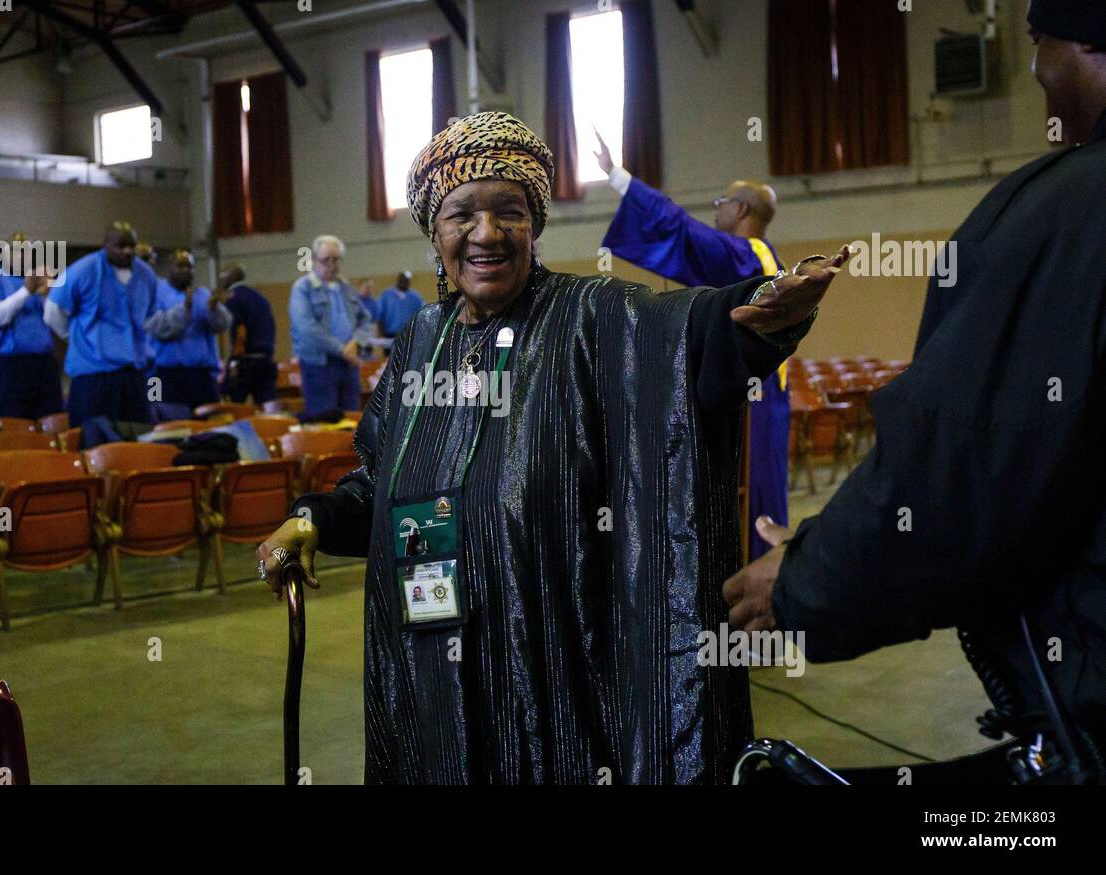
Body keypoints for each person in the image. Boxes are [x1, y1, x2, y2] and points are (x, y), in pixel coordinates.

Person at [257, 112, 848, 784]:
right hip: (433, 669)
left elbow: (674, 338)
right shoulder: (421, 342)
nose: (487, 233)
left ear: (534, 224)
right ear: (434, 231)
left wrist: (754, 316)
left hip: (550, 677)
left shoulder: (588, 318)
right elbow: (381, 486)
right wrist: (314, 518)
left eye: (509, 211)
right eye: (462, 215)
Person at [724, 0, 1106, 780]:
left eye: (1040, 41)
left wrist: (804, 581)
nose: (1035, 70)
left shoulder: (1063, 214)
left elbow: (961, 473)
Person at [596, 132, 789, 562]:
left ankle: (750, 578)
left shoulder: (745, 255)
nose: (716, 209)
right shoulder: (766, 255)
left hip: (753, 403)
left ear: (740, 209)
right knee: (763, 490)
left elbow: (679, 228)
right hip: (768, 395)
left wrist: (618, 177)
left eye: (722, 202)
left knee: (750, 493)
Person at [44, 222, 158, 427]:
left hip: (134, 375)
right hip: (93, 377)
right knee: (94, 440)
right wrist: (77, 339)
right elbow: (53, 312)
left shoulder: (146, 275)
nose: (127, 251)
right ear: (106, 244)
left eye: (131, 246)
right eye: (120, 246)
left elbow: (149, 316)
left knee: (142, 440)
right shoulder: (82, 271)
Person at [0, 232, 64, 420]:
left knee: (51, 421)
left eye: (26, 252)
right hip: (9, 366)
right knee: (12, 424)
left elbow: (58, 324)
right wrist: (25, 291)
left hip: (43, 364)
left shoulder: (39, 282)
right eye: (15, 251)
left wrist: (49, 295)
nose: (21, 256)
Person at [288, 235, 371, 414]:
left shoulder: (346, 287)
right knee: (324, 421)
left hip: (348, 366)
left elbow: (365, 320)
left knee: (352, 422)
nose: (332, 264)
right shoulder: (302, 288)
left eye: (336, 259)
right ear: (314, 260)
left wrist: (356, 342)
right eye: (326, 260)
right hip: (319, 366)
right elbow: (306, 328)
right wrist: (342, 350)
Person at [145, 249, 231, 409]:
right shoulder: (155, 293)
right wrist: (185, 308)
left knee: (211, 422)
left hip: (201, 375)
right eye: (180, 266)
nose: (185, 271)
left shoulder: (203, 295)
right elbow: (159, 330)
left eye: (189, 267)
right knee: (162, 421)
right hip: (160, 376)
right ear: (170, 268)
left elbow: (222, 326)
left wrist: (214, 310)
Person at [220, 261, 278, 405]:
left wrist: (233, 362)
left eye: (222, 277)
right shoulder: (261, 298)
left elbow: (240, 333)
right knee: (267, 407)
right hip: (266, 360)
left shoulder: (234, 299)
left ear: (230, 278)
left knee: (234, 407)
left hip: (246, 362)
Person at [376, 270, 424, 339]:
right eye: (402, 280)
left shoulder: (416, 297)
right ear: (398, 280)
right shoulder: (387, 295)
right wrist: (379, 332)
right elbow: (379, 314)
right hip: (390, 333)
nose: (404, 282)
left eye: (406, 280)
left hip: (410, 334)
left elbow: (422, 314)